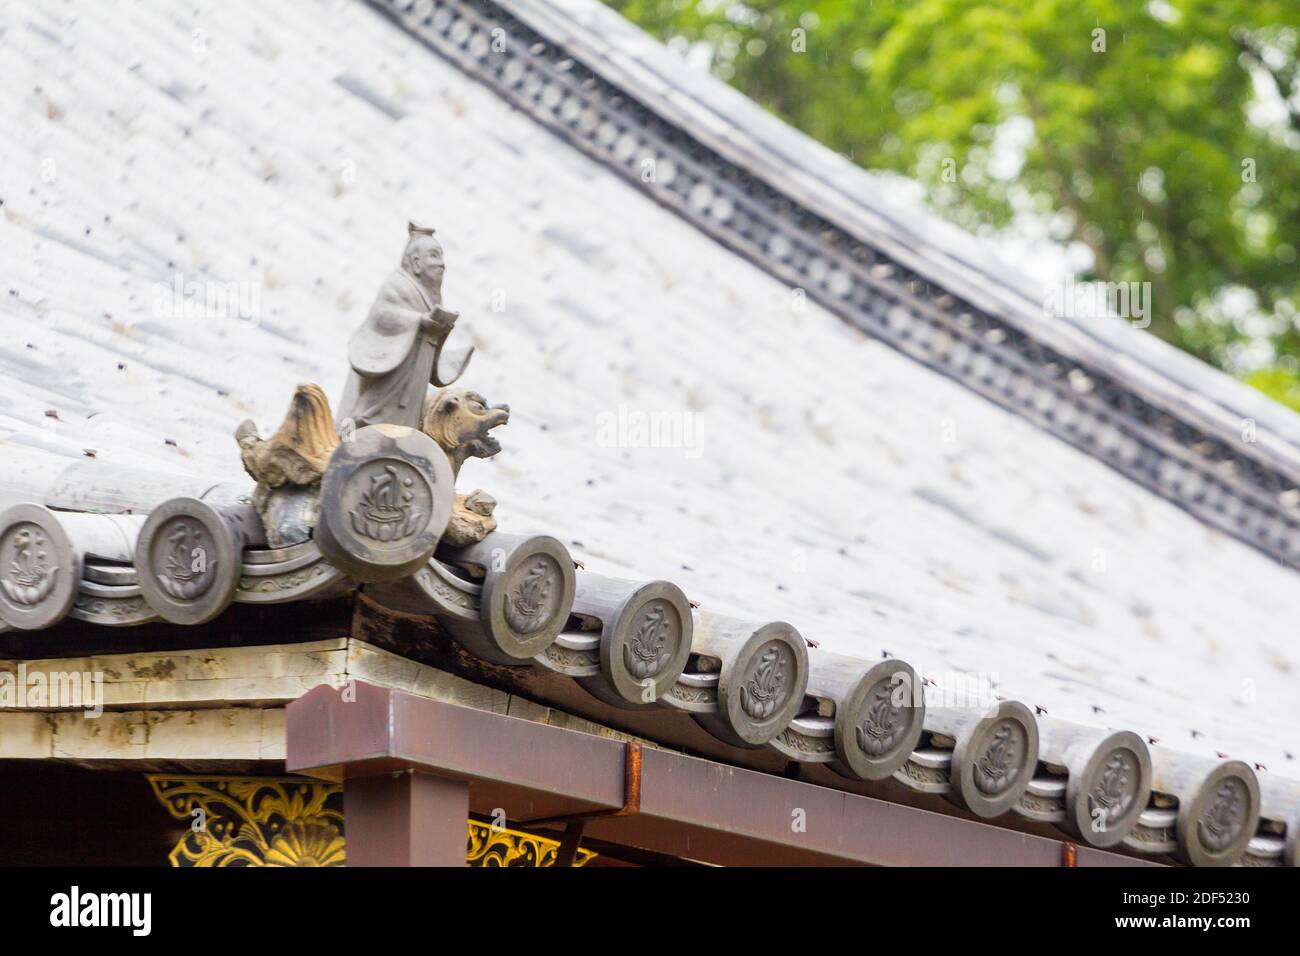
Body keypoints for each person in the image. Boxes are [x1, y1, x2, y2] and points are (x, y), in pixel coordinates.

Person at [337, 222, 472, 429]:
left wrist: (441, 329)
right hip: (392, 366)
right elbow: (382, 316)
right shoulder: (397, 284)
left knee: (406, 420)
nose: (442, 264)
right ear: (416, 262)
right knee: (378, 414)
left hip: (417, 372)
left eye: (442, 257)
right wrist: (419, 321)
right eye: (434, 256)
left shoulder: (431, 295)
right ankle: (368, 421)